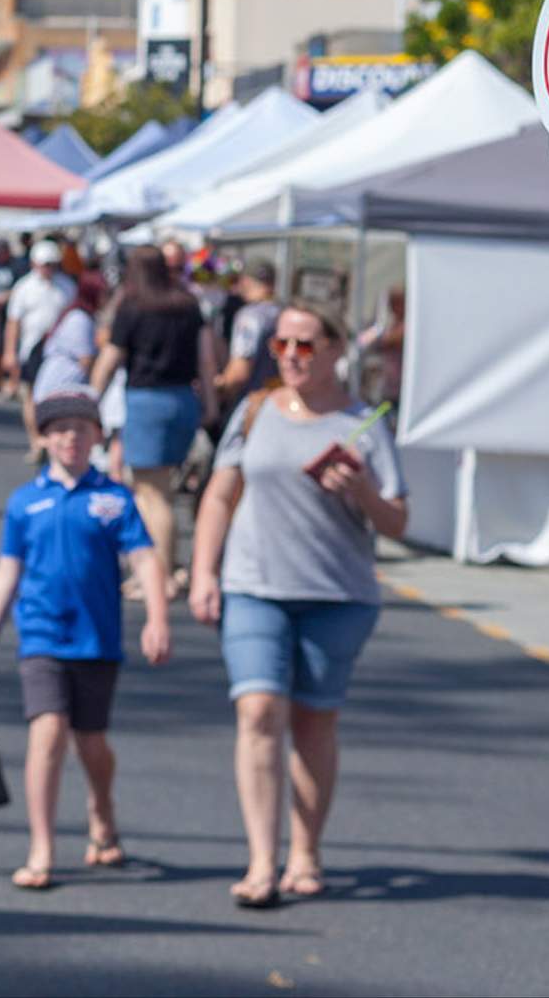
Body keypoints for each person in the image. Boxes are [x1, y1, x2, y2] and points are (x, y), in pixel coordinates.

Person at [187, 303, 406, 910]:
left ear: (337, 351)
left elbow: (398, 519)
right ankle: (262, 859)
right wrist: (203, 571)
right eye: (281, 343)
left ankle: (305, 851)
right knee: (257, 712)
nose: (290, 355)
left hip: (337, 594)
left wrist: (360, 489)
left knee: (314, 723)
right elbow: (220, 493)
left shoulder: (364, 423)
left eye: (306, 345)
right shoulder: (255, 410)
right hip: (254, 586)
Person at [0, 391, 171, 892]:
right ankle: (42, 846)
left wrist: (157, 618)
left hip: (96, 640)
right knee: (48, 731)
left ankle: (102, 811)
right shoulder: (25, 502)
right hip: (41, 636)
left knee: (91, 741)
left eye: (81, 428)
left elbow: (143, 559)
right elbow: (7, 574)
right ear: (44, 438)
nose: (70, 439)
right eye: (59, 430)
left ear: (97, 435)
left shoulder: (115, 499)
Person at [94, 247, 221, 593]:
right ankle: (165, 566)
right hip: (182, 399)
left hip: (147, 401)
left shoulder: (133, 307)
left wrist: (91, 399)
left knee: (153, 493)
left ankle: (159, 575)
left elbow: (109, 359)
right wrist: (209, 403)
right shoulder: (187, 305)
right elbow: (207, 361)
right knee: (160, 490)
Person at [3, 239, 79, 454]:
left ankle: (52, 437)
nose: (48, 268)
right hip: (32, 348)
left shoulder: (66, 286)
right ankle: (37, 440)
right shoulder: (24, 287)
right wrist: (10, 352)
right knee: (31, 396)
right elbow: (13, 322)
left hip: (59, 351)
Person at [216, 261, 282, 424]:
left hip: (250, 407)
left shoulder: (250, 316)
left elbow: (239, 373)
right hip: (279, 402)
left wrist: (219, 388)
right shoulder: (284, 313)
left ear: (246, 280)